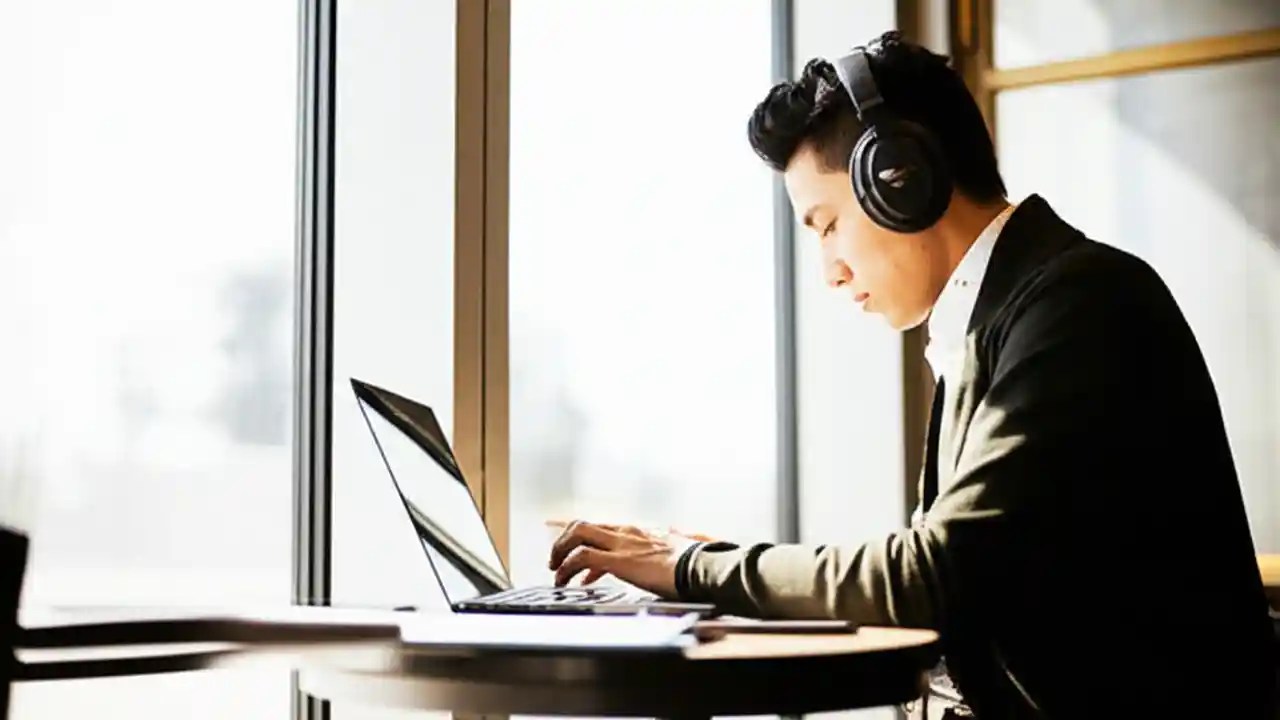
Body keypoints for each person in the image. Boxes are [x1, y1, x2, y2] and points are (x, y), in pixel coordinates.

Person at [547, 31, 1274, 718]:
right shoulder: (995, 320)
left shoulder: (1081, 304)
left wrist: (693, 566)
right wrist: (719, 569)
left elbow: (930, 579)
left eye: (827, 225)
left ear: (899, 177)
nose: (829, 273)